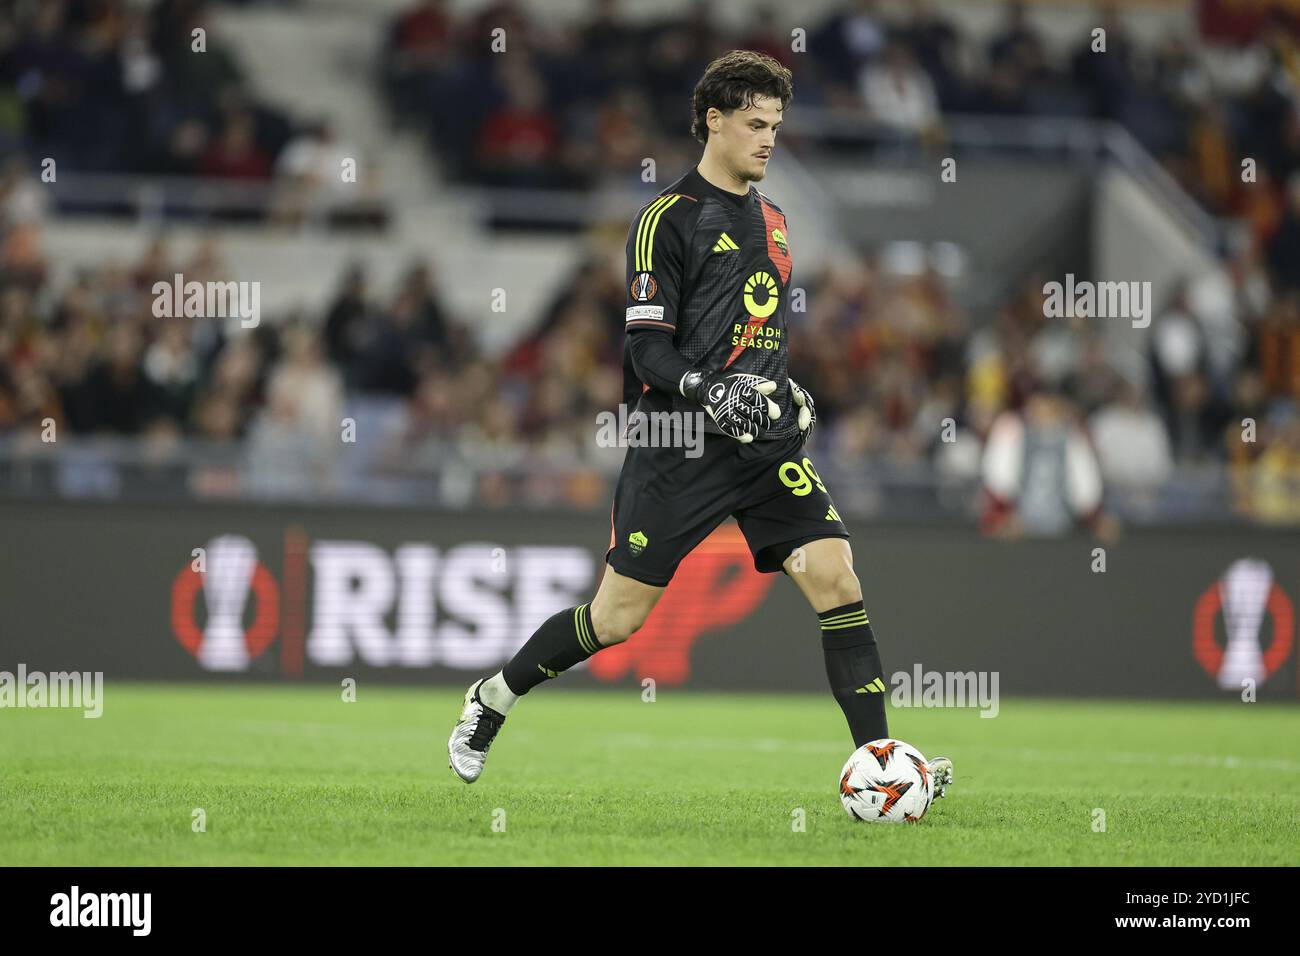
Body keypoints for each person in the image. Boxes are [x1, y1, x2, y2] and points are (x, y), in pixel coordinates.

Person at [447, 50, 952, 805]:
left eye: (776, 125)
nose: (768, 139)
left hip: (760, 446)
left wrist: (791, 394)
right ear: (712, 121)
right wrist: (709, 392)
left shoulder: (777, 223)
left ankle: (881, 763)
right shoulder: (663, 222)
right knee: (616, 618)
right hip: (676, 445)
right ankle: (494, 696)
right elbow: (647, 346)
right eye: (755, 123)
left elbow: (760, 337)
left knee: (837, 578)